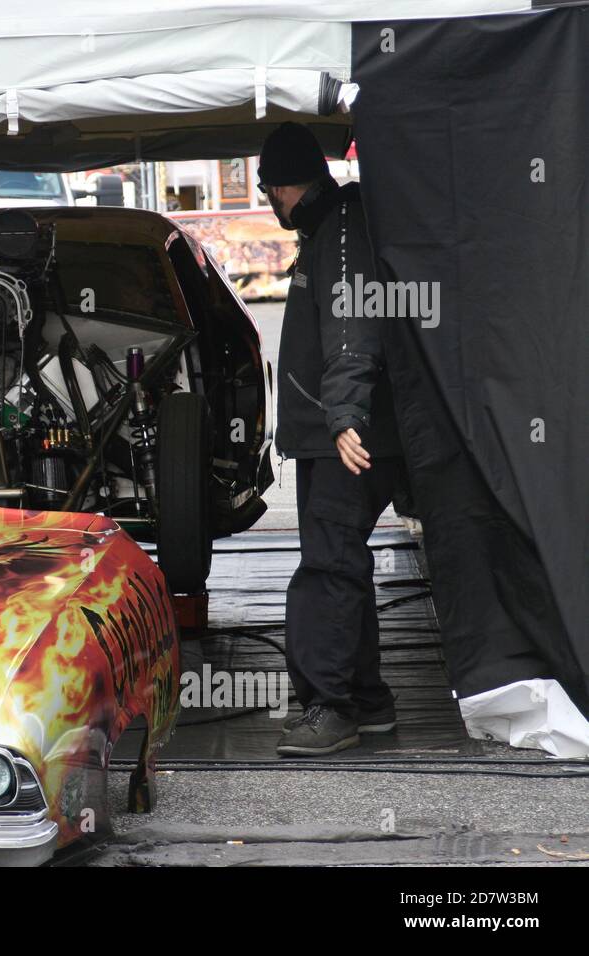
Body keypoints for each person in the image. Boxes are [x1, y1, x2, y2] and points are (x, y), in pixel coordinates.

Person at [258, 122, 406, 756]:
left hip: (348, 437)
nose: (272, 204)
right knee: (341, 563)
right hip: (336, 433)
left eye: (270, 191)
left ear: (285, 187)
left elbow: (352, 324)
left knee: (326, 569)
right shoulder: (327, 229)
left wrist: (343, 416)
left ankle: (330, 709)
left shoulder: (341, 228)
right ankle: (368, 702)